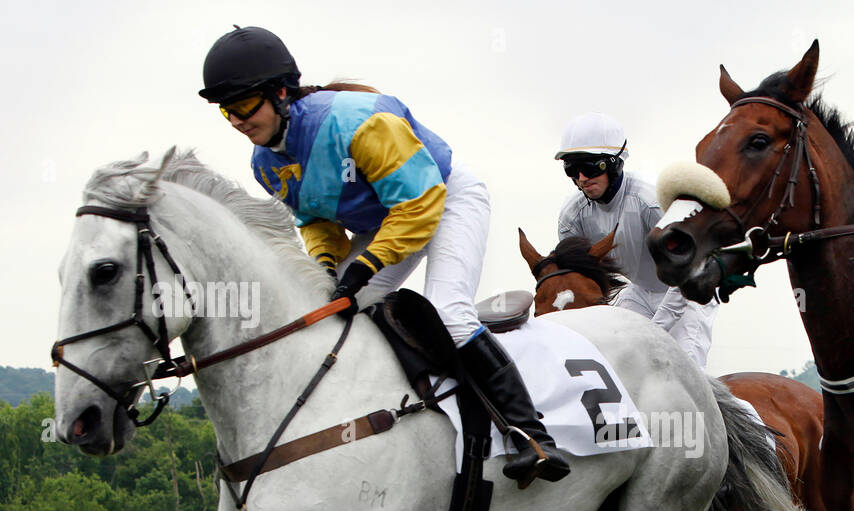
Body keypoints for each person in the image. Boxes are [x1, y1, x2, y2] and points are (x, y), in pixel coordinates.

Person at [198, 26, 568, 484]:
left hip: (445, 198)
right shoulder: (264, 163)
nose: (236, 120)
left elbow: (419, 204)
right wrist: (327, 267)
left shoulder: (358, 123)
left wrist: (369, 266)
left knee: (449, 311)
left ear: (279, 92)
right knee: (329, 308)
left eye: (242, 105)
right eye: (225, 110)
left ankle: (529, 435)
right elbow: (315, 221)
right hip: (386, 221)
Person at [555, 112, 717, 368]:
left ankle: (742, 410)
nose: (582, 178)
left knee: (684, 376)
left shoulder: (649, 201)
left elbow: (687, 270)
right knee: (619, 367)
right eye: (572, 170)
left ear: (614, 163)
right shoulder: (572, 217)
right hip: (639, 291)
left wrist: (656, 329)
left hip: (687, 291)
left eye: (589, 167)